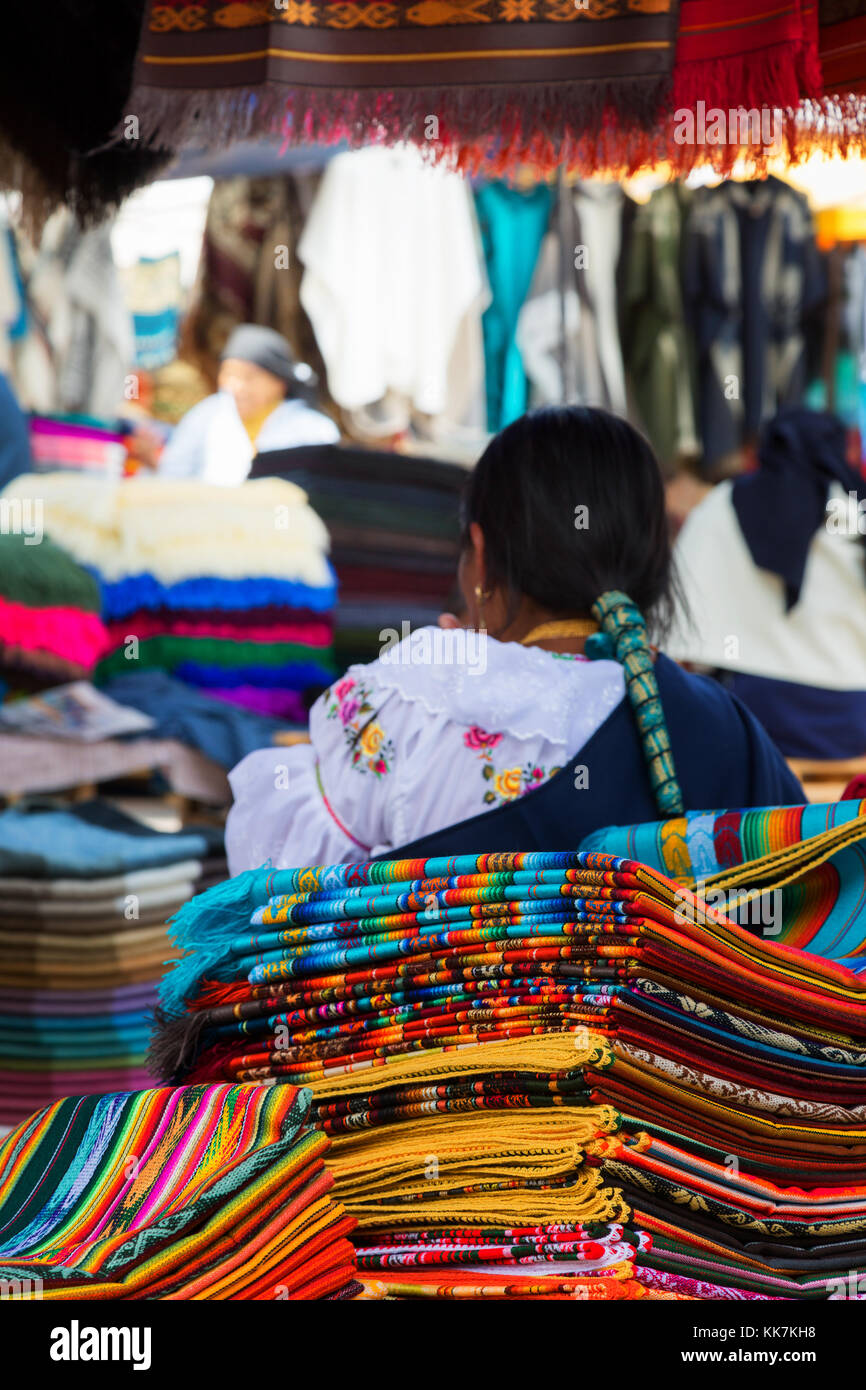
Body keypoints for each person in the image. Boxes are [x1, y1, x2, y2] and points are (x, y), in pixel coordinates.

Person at [226, 406, 804, 875]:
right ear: (655, 559)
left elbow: (277, 895)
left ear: (480, 555)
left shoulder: (411, 699)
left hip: (444, 1021)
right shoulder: (724, 727)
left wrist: (439, 671)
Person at [665, 408, 866, 761]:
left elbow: (676, 636)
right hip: (852, 722)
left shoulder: (722, 504)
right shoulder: (857, 512)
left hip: (756, 722)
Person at [159, 324, 338, 485]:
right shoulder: (205, 416)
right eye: (229, 374)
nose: (235, 387)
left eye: (249, 377)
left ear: (279, 383)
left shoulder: (315, 430)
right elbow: (172, 477)